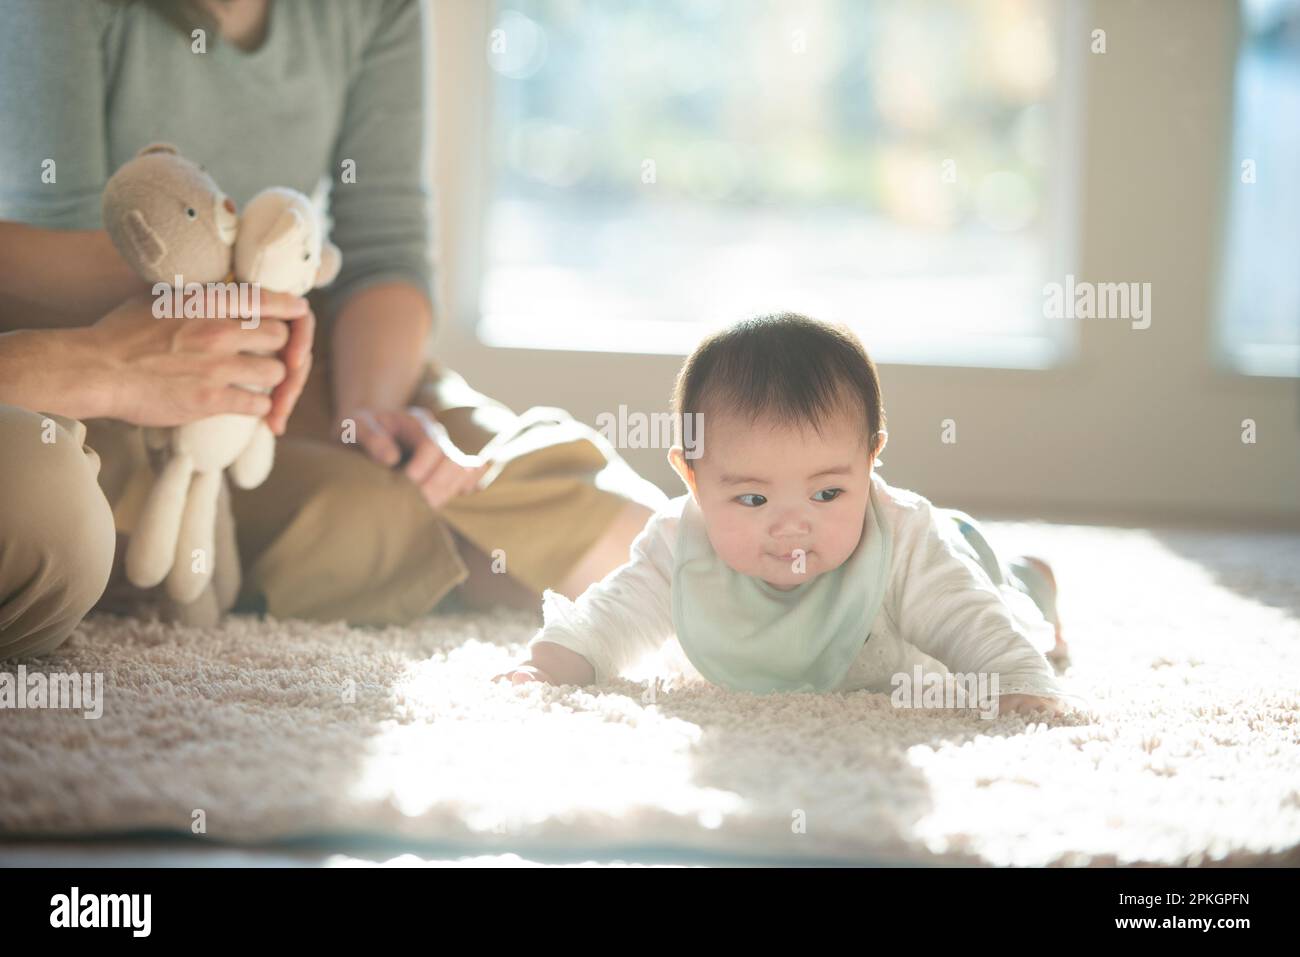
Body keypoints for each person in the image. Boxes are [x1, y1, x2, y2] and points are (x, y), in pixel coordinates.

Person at [0, 0, 665, 658]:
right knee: (370, 510)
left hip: (284, 342)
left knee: (570, 501)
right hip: (94, 354)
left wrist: (369, 419)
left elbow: (383, 247)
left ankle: (444, 541)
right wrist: (217, 297)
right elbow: (54, 253)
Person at [495, 313, 1083, 717]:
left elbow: (967, 618)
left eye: (827, 494)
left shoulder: (901, 540)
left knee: (1004, 593)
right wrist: (545, 666)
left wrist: (1017, 683)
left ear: (870, 460)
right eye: (753, 500)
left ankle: (1032, 576)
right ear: (692, 478)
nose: (792, 526)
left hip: (955, 555)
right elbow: (609, 619)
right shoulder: (679, 543)